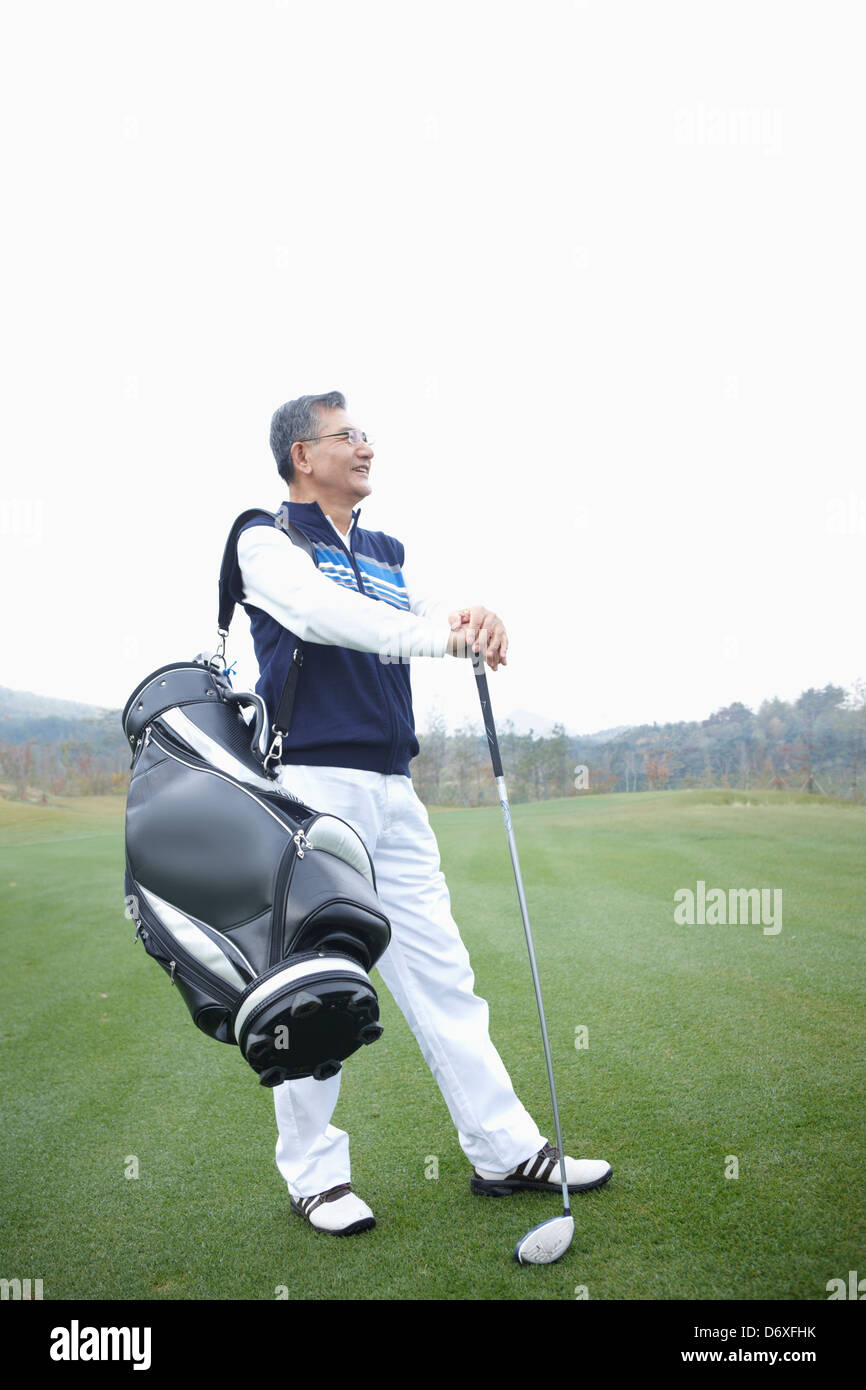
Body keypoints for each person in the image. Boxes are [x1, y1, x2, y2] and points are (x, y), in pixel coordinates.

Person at [230, 390, 612, 1236]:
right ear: (303, 454)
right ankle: (317, 1178)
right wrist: (440, 637)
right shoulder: (264, 540)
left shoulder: (387, 548)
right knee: (317, 988)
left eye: (365, 433)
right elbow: (330, 618)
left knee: (443, 974)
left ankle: (502, 1150)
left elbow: (433, 611)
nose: (366, 447)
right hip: (312, 789)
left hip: (393, 788)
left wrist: (475, 619)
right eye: (348, 436)